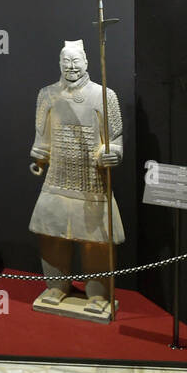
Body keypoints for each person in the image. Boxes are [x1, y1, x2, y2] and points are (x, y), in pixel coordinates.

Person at [28, 39, 124, 317]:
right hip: (58, 176)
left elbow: (115, 138)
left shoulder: (104, 95)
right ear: (59, 63)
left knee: (94, 239)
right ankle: (56, 287)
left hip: (91, 178)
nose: (71, 67)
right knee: (53, 233)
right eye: (65, 62)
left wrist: (112, 153)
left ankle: (98, 293)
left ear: (86, 62)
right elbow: (42, 135)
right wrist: (39, 159)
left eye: (76, 61)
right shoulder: (47, 94)